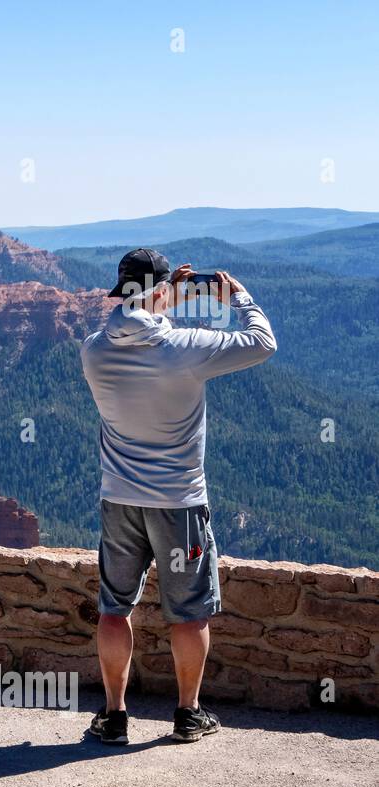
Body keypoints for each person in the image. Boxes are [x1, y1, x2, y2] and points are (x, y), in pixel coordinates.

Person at [79, 248, 277, 744]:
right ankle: (187, 714)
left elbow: (135, 319)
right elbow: (263, 342)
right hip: (181, 504)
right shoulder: (189, 347)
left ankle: (114, 715)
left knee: (113, 609)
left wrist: (166, 294)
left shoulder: (94, 350)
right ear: (160, 294)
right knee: (188, 613)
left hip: (119, 499)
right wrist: (235, 296)